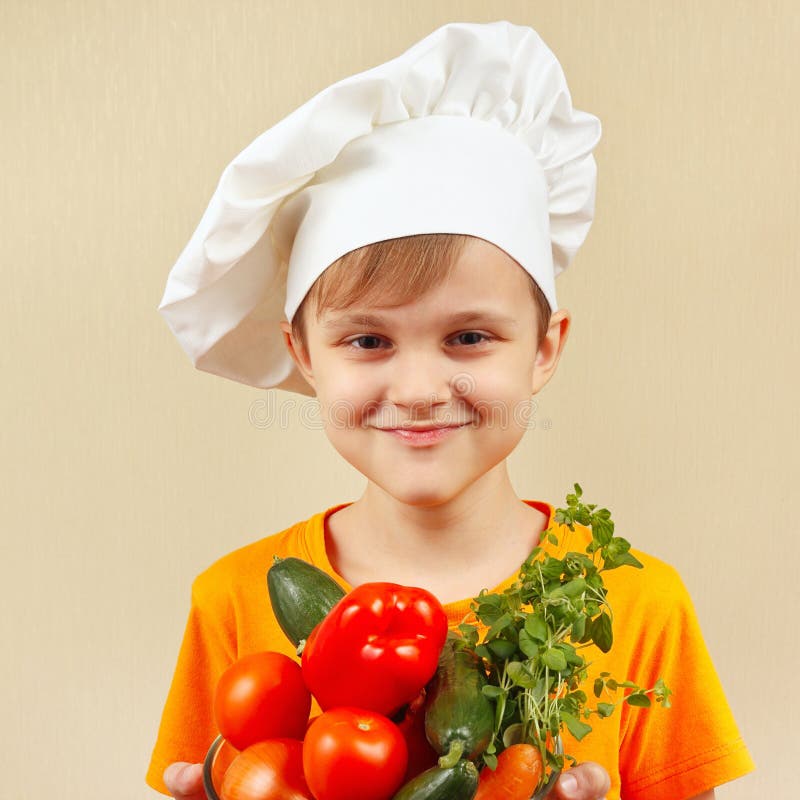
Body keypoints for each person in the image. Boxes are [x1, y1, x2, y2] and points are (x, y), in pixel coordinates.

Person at [148, 20, 755, 800]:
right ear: (303, 353)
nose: (420, 389)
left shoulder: (638, 607)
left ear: (543, 348)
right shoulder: (233, 601)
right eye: (367, 340)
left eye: (469, 337)